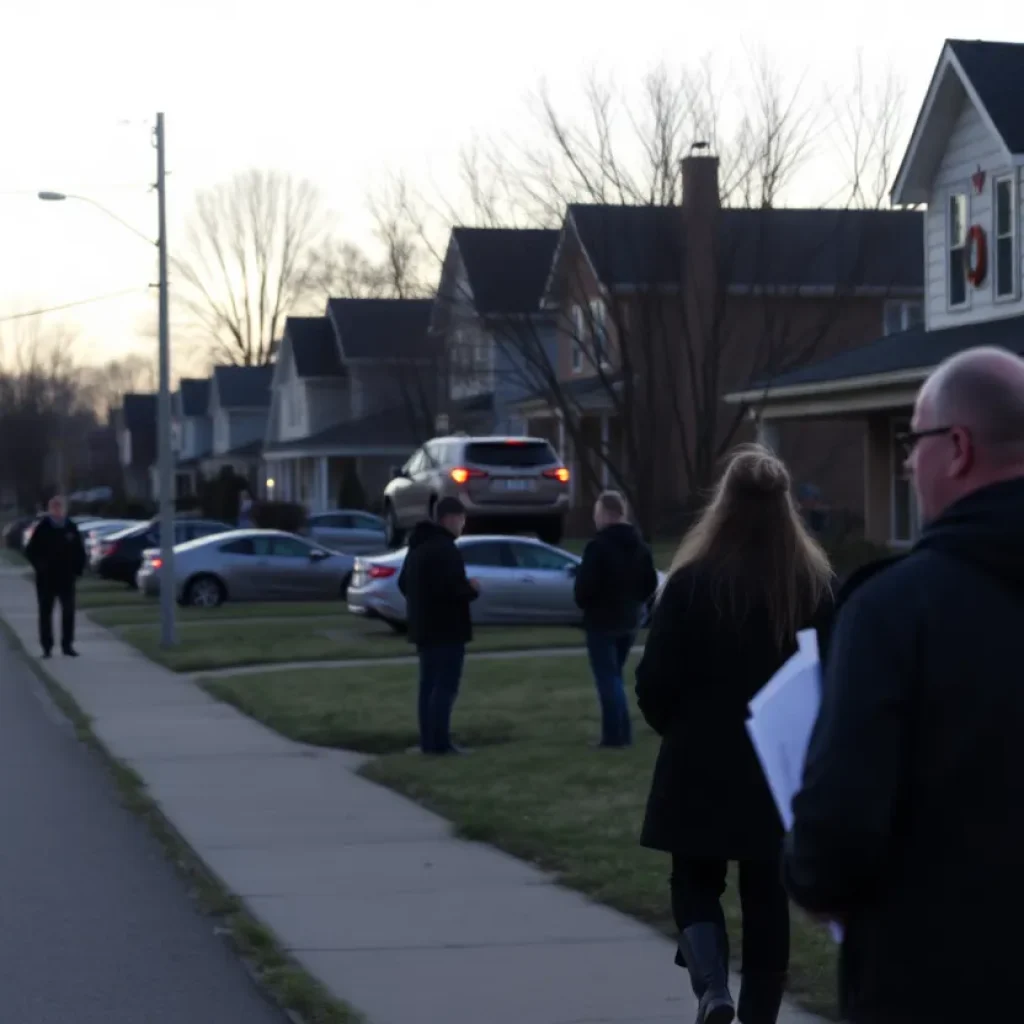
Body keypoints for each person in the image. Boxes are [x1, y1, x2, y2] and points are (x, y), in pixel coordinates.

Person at [785, 346, 1024, 1024]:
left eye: (912, 442)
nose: (907, 463)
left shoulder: (896, 611)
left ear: (957, 447)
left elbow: (836, 839)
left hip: (931, 982)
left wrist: (809, 871)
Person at [635, 446, 833, 1024]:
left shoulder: (692, 584)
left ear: (722, 505)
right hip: (776, 768)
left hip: (698, 759)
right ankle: (758, 1017)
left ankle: (712, 988)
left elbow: (654, 682)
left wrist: (676, 729)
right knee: (767, 896)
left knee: (694, 880)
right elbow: (832, 676)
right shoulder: (813, 588)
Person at [573, 490, 658, 748]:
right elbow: (650, 584)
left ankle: (615, 736)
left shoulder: (598, 547)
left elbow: (584, 587)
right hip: (629, 620)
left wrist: (586, 603)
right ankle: (622, 734)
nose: (595, 519)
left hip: (602, 621)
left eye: (597, 513)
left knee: (608, 678)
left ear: (607, 513)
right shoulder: (640, 546)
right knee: (614, 676)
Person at [398, 497, 479, 755]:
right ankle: (440, 742)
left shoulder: (417, 547)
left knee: (428, 686)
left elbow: (403, 584)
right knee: (445, 686)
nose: (463, 525)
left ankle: (428, 741)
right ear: (449, 518)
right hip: (448, 629)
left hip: (424, 627)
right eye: (461, 519)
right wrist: (472, 589)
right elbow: (454, 590)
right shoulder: (446, 550)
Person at [25, 495, 86, 659]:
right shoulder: (43, 527)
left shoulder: (71, 528)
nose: (57, 511)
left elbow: (80, 551)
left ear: (64, 509)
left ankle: (67, 645)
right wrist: (40, 567)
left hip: (66, 577)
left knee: (68, 611)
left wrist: (77, 570)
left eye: (60, 507)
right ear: (50, 509)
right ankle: (47, 647)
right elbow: (30, 551)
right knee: (46, 613)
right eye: (54, 507)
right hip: (46, 578)